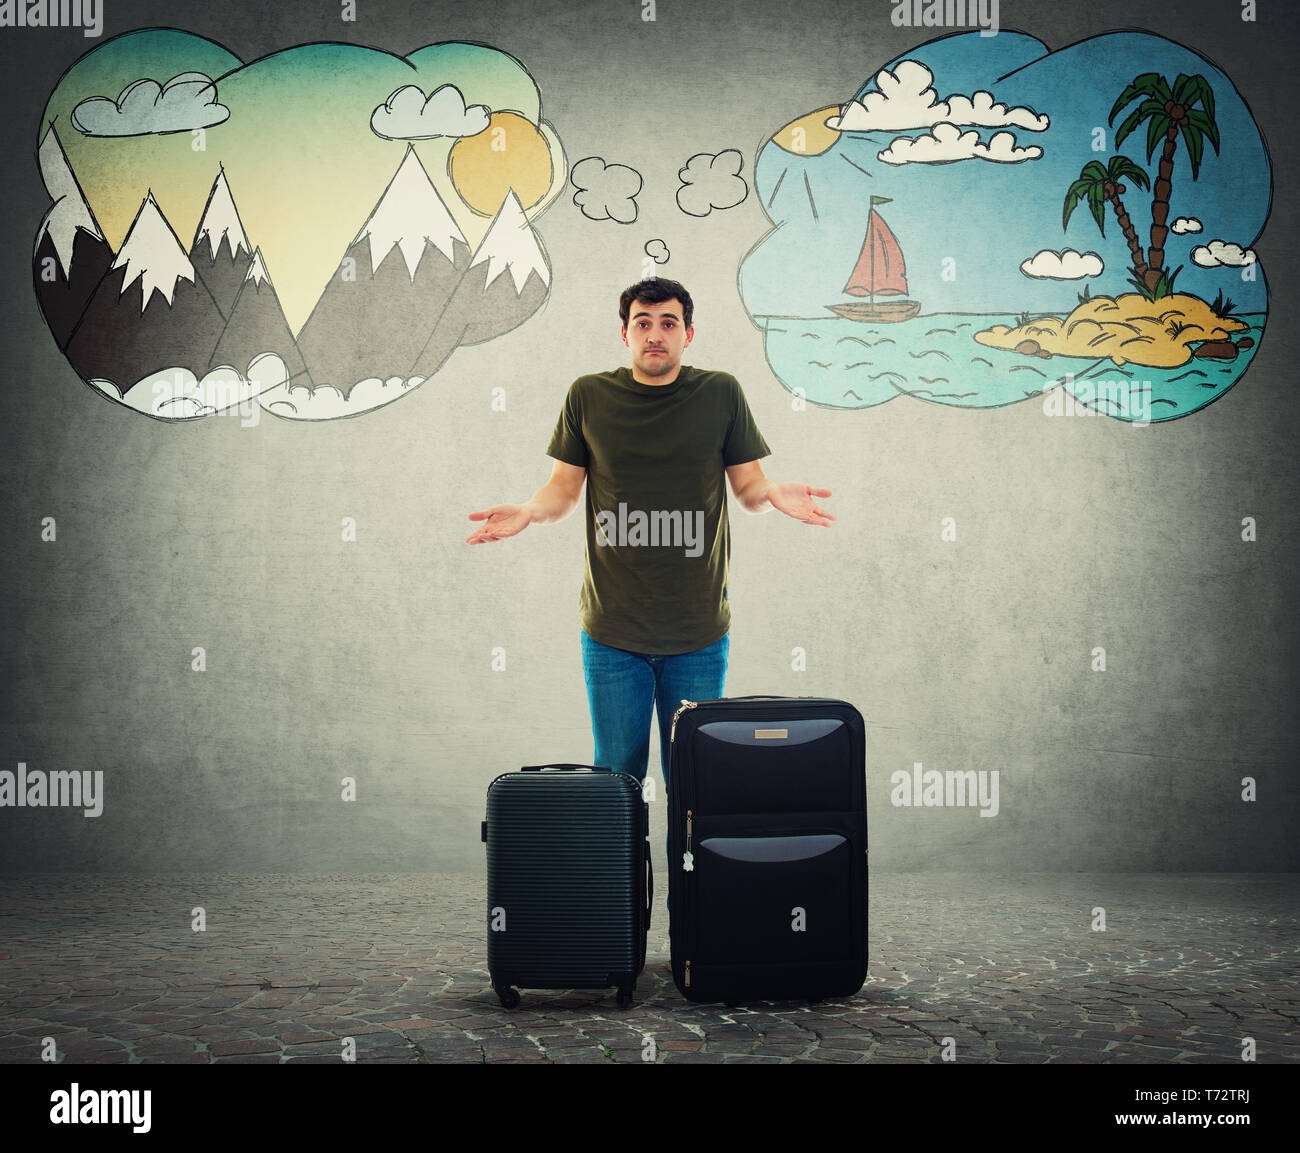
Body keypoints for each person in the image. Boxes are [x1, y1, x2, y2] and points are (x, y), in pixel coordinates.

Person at [466, 278, 834, 790]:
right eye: (643, 323)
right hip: (613, 632)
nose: (655, 334)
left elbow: (747, 487)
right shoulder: (588, 396)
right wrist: (530, 509)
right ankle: (622, 875)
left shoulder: (720, 391)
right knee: (618, 779)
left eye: (668, 323)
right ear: (625, 334)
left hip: (698, 632)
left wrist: (770, 493)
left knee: (694, 781)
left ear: (688, 334)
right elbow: (563, 491)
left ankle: (688, 875)